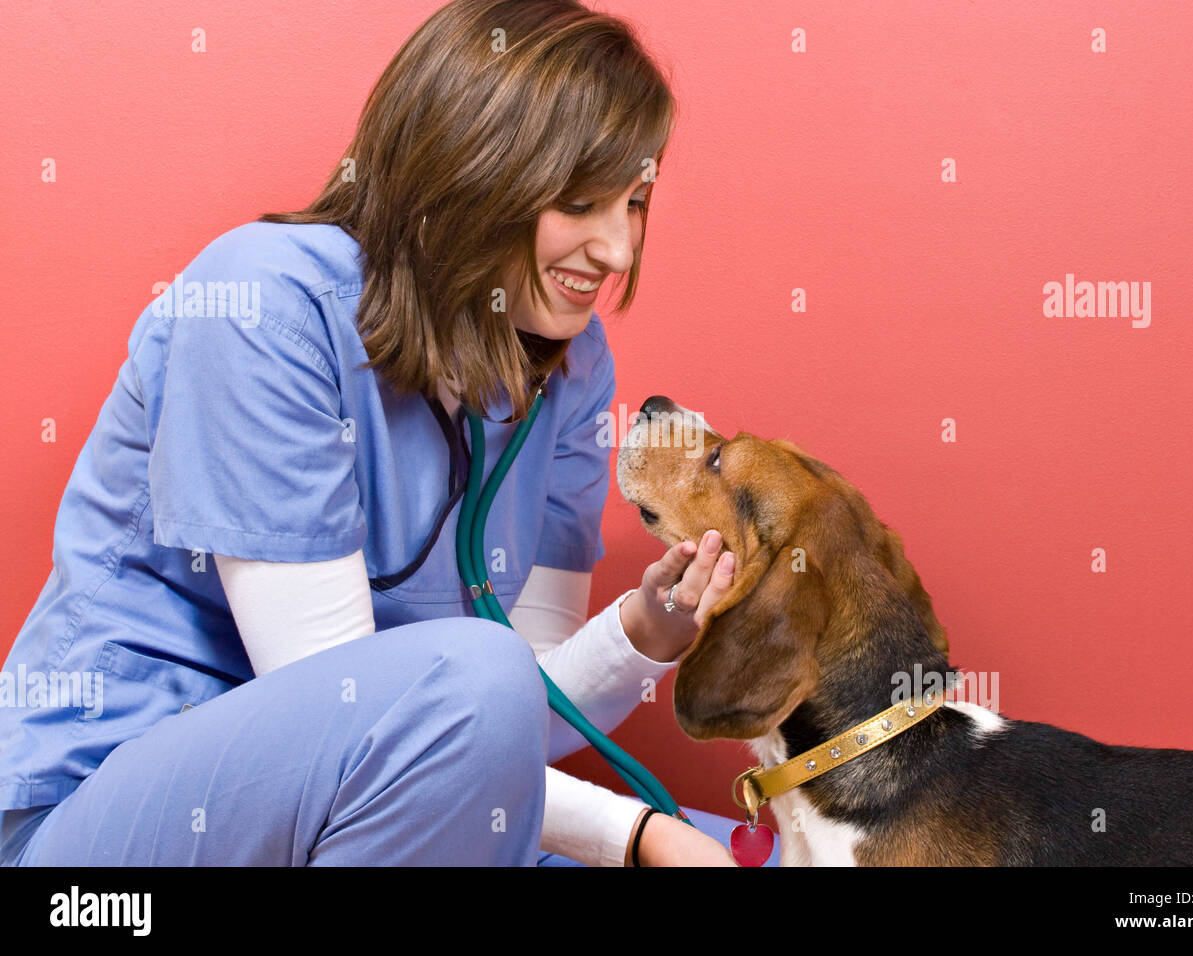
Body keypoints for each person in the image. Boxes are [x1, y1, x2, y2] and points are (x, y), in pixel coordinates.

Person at [0, 0, 761, 867]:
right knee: (487, 690)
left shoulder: (571, 368)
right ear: (469, 167)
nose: (619, 251)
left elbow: (504, 725)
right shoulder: (266, 308)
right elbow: (365, 719)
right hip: (99, 844)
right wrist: (631, 834)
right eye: (581, 201)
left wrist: (642, 634)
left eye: (634, 201)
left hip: (368, 831)